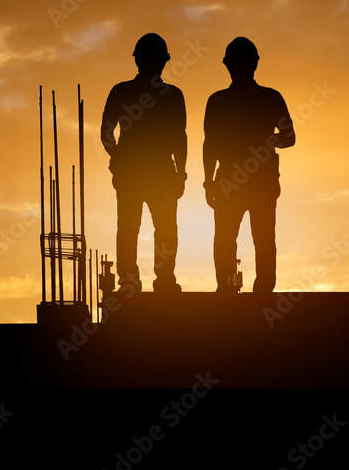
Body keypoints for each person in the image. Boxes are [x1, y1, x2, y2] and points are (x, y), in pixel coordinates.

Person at [203, 37, 294, 293]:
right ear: (255, 63)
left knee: (235, 240)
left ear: (226, 64)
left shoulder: (219, 101)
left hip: (240, 182)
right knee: (256, 239)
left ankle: (237, 290)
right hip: (250, 182)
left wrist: (209, 181)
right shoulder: (268, 98)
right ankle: (254, 291)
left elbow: (210, 145)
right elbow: (289, 137)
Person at [101, 33, 187, 293]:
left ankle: (133, 278)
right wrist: (180, 173)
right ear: (165, 61)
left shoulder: (123, 91)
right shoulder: (171, 95)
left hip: (139, 171)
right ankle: (160, 278)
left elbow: (106, 133)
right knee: (158, 227)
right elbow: (179, 138)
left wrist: (116, 156)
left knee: (131, 226)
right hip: (154, 171)